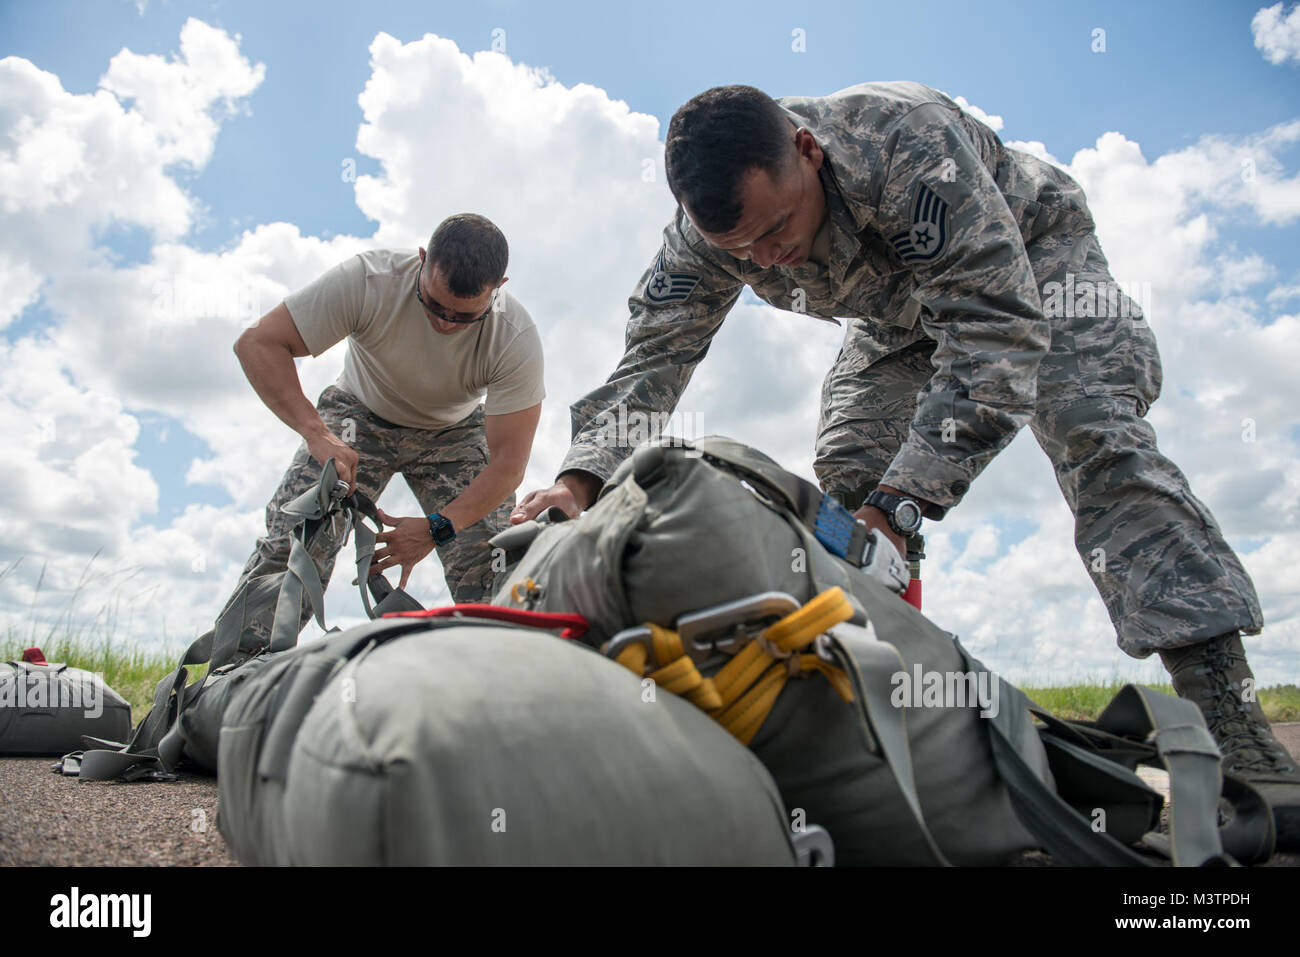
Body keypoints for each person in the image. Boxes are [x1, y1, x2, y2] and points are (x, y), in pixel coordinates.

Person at [510, 83, 1297, 846]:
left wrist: (908, 499)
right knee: (845, 491)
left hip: (1029, 270)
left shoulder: (906, 141)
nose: (769, 261)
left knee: (1092, 430)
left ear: (807, 151)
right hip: (897, 315)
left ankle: (1228, 711)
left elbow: (996, 332)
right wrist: (579, 482)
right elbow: (652, 360)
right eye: (740, 252)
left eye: (777, 229)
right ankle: (902, 711)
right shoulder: (709, 239)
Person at [225, 212, 543, 645]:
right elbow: (258, 343)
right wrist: (317, 434)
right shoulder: (369, 280)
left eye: (464, 316)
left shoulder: (513, 336)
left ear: (498, 288)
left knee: (498, 558)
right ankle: (238, 679)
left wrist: (439, 527)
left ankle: (507, 681)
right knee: (297, 539)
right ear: (421, 260)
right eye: (434, 304)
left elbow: (508, 465)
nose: (446, 324)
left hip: (454, 435)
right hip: (358, 414)